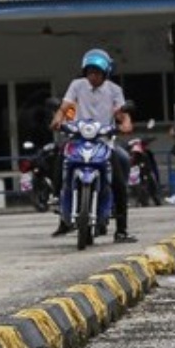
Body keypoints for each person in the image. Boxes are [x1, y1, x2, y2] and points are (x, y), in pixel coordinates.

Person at [49, 48, 137, 243]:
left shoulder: (115, 90)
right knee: (59, 157)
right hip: (78, 138)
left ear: (105, 73)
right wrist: (57, 119)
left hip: (104, 141)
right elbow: (65, 107)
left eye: (97, 73)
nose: (93, 76)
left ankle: (121, 230)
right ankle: (57, 199)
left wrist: (126, 123)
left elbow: (122, 113)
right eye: (90, 72)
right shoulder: (77, 85)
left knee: (120, 178)